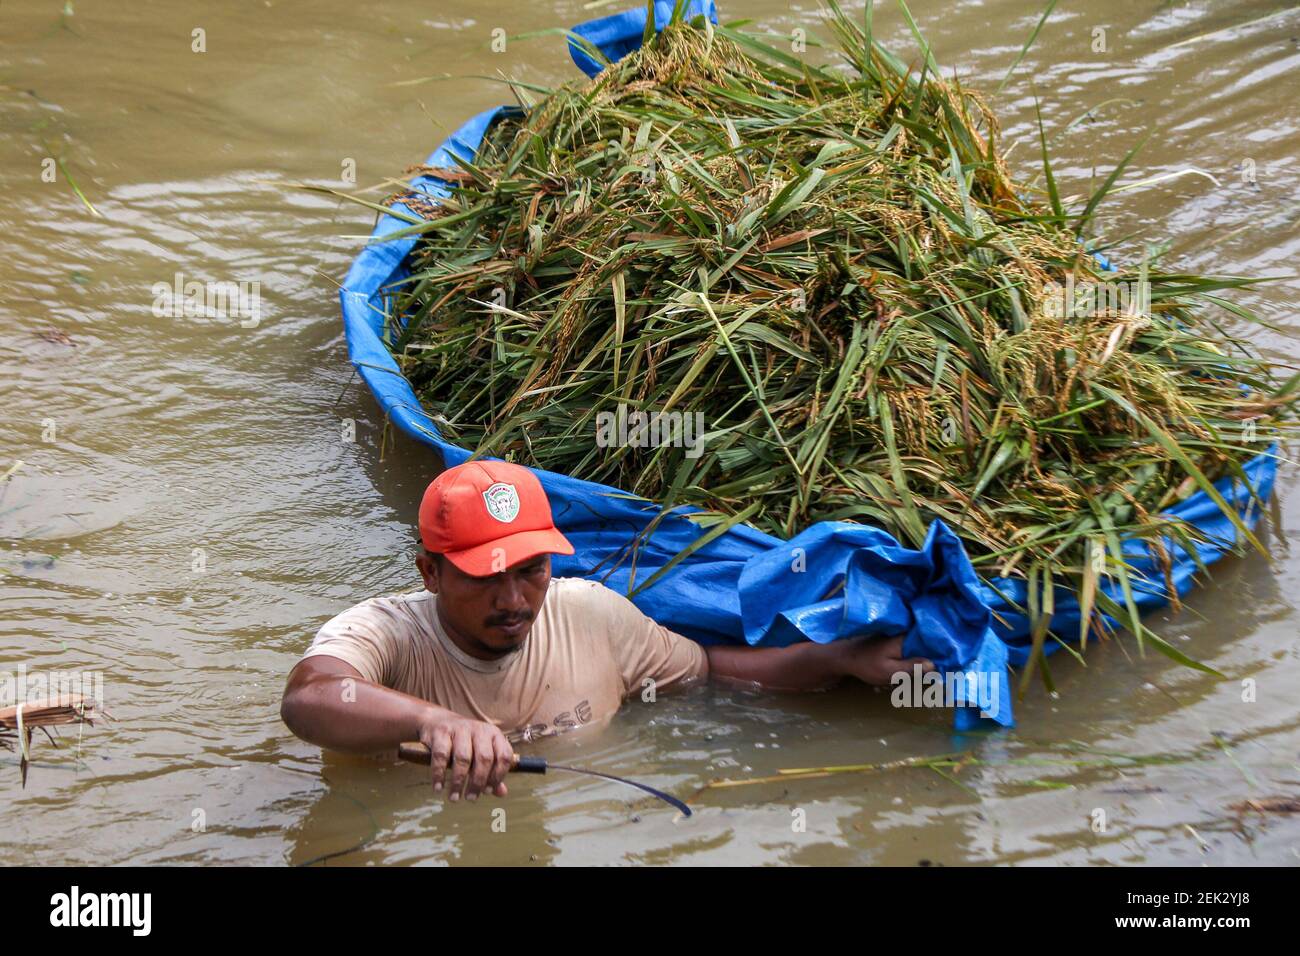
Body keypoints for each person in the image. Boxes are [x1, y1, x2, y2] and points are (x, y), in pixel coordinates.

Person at [281, 460, 933, 802]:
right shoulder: (387, 632)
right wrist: (433, 723)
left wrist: (841, 659)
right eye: (485, 577)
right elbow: (309, 697)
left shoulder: (589, 613)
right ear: (429, 572)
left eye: (532, 571)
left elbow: (713, 672)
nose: (514, 600)